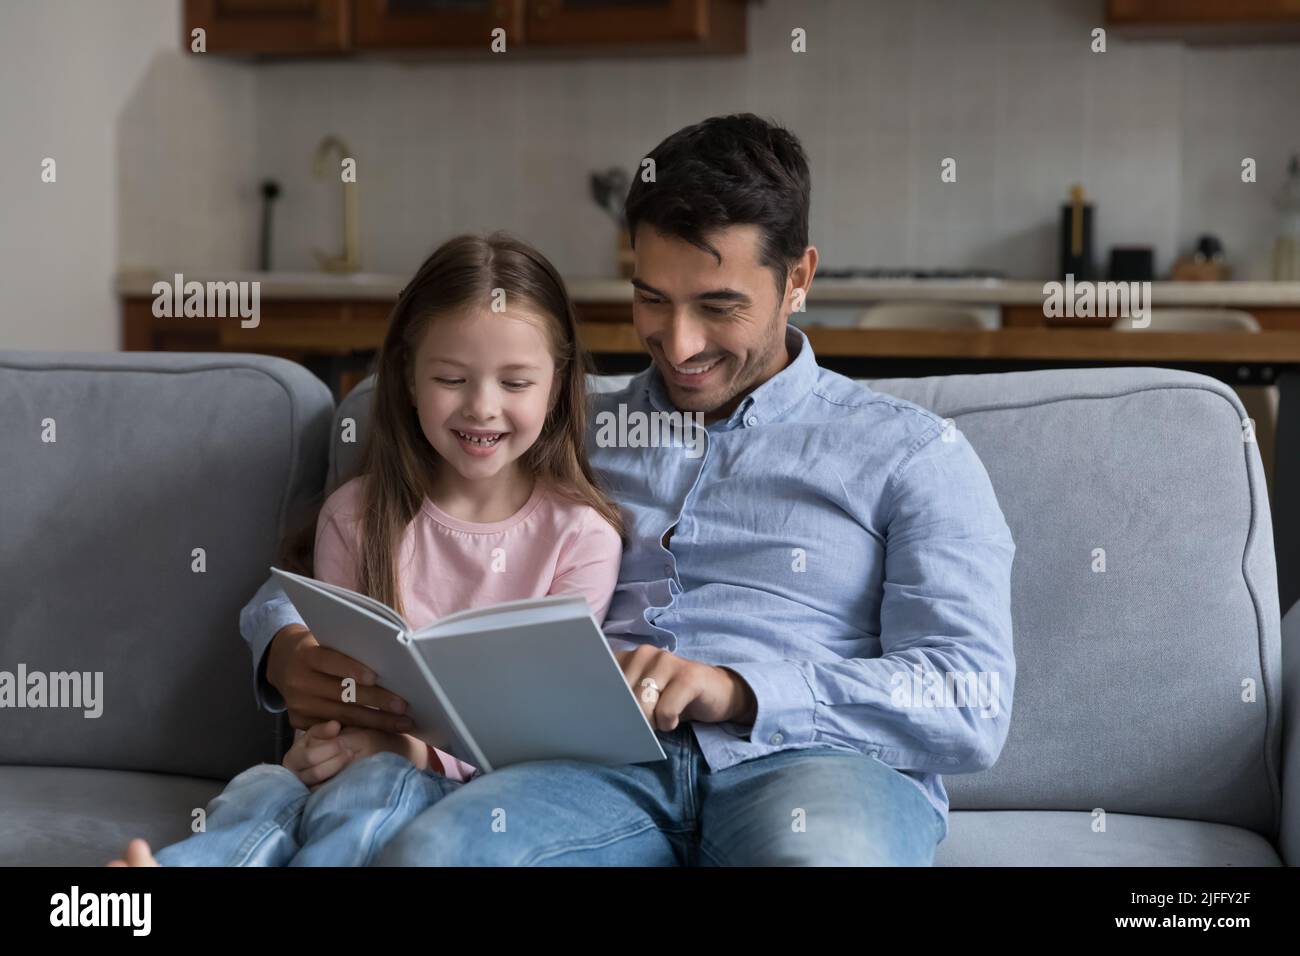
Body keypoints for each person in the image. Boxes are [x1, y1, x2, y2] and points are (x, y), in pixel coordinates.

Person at [247, 113, 1017, 867]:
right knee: (437, 850)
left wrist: (740, 691)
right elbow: (377, 524)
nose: (680, 345)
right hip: (593, 770)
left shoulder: (910, 452)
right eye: (653, 299)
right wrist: (284, 648)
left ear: (798, 280)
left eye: (718, 306)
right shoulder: (555, 425)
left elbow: (969, 698)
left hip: (813, 764)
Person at [108, 232, 625, 866]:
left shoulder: (581, 537)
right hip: (346, 759)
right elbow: (336, 681)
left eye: (516, 382)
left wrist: (408, 752)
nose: (482, 407)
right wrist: (325, 742)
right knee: (265, 788)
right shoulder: (356, 515)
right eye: (451, 378)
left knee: (374, 791)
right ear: (408, 379)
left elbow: (535, 737)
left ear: (557, 383)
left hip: (459, 792)